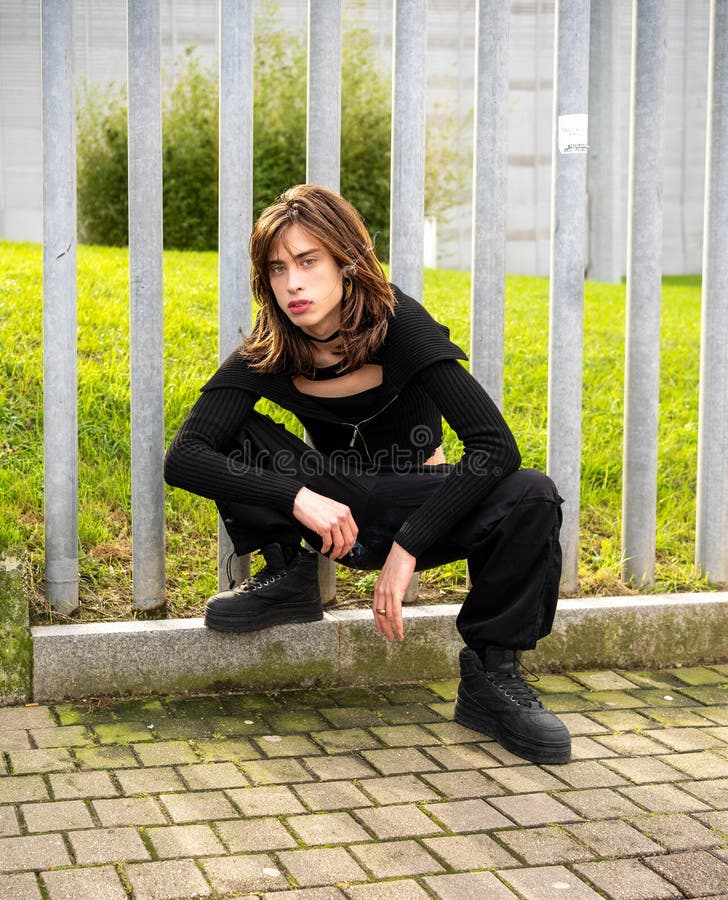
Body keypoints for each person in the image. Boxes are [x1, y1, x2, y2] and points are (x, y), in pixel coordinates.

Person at [164, 184, 570, 765]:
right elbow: (184, 457)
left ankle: (492, 677)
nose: (293, 284)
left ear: (346, 263)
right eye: (278, 268)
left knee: (531, 492)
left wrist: (409, 546)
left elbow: (494, 447)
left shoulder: (400, 325)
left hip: (417, 503)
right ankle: (291, 577)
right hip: (333, 509)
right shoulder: (272, 345)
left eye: (308, 262)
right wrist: (296, 495)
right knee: (227, 431)